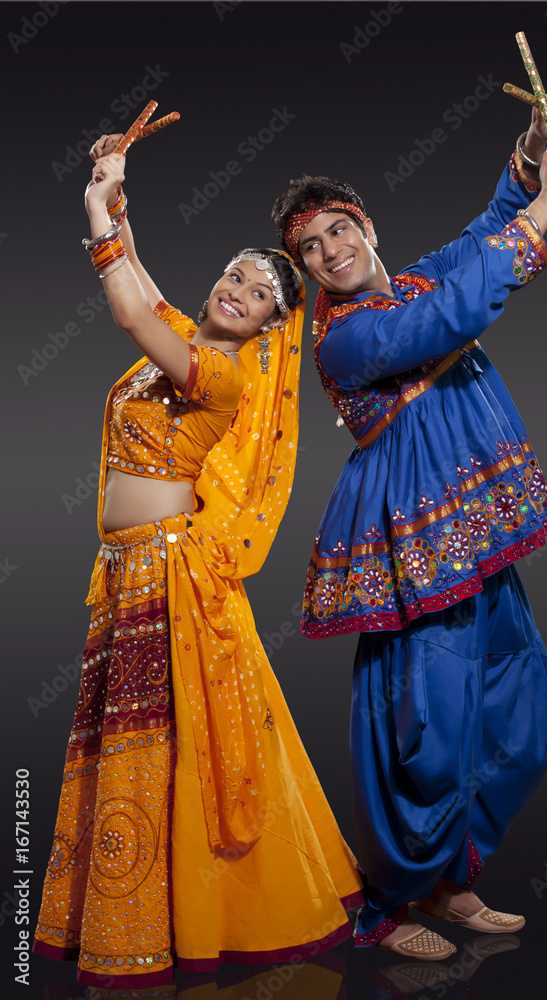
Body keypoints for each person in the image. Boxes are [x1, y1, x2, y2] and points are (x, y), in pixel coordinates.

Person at [33, 135, 363, 989]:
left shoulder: (218, 376)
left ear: (265, 329)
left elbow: (130, 312)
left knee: (174, 752)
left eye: (260, 295)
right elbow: (143, 287)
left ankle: (199, 923)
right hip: (125, 570)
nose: (240, 293)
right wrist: (113, 193)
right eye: (236, 276)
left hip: (171, 575)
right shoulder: (185, 335)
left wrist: (93, 221)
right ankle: (136, 919)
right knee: (133, 749)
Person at [270, 96, 547, 959]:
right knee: (428, 736)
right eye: (311, 249)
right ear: (304, 270)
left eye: (338, 230)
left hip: (475, 542)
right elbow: (450, 318)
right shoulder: (341, 339)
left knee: (526, 712)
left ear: (365, 226)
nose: (330, 252)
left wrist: (527, 158)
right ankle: (390, 901)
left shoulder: (414, 275)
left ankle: (450, 880)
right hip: (414, 552)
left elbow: (489, 233)